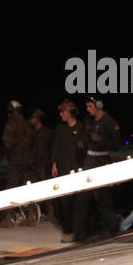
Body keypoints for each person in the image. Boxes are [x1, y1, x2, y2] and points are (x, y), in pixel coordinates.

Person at [72, 96, 120, 241]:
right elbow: (86, 137)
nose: (87, 110)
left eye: (90, 106)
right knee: (83, 196)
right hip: (89, 160)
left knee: (104, 197)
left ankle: (109, 229)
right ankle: (79, 233)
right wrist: (82, 141)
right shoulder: (88, 120)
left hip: (103, 159)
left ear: (98, 106)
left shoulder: (110, 122)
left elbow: (116, 146)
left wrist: (102, 141)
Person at [50, 99, 85, 241]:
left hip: (78, 168)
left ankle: (79, 230)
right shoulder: (60, 129)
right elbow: (56, 147)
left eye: (63, 112)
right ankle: (68, 229)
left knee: (78, 201)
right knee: (65, 201)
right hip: (64, 168)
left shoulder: (81, 127)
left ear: (69, 113)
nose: (61, 115)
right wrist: (54, 164)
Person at [0, 99, 34, 223]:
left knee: (11, 189)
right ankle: (30, 216)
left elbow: (7, 143)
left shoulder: (10, 124)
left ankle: (8, 218)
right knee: (27, 188)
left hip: (15, 162)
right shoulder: (27, 124)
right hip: (28, 162)